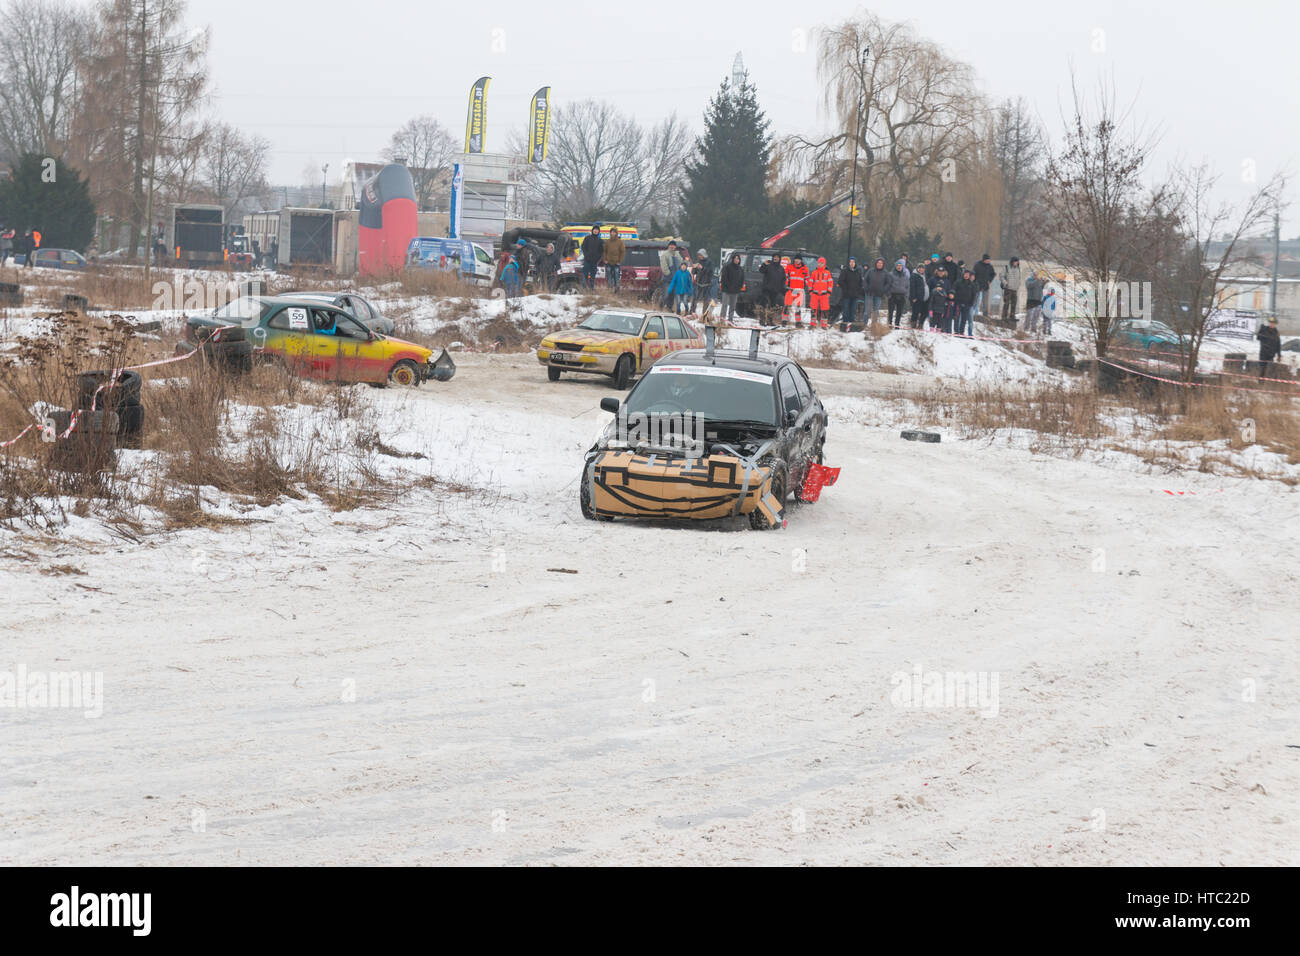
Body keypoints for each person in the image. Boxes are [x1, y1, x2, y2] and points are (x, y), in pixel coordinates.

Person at [837, 257, 864, 332]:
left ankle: (852, 326)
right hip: (846, 295)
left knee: (853, 311)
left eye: (853, 262)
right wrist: (845, 289)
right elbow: (840, 281)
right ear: (848, 263)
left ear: (855, 263)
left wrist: (858, 291)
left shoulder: (858, 272)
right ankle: (844, 326)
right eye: (850, 262)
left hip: (855, 295)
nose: (852, 263)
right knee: (846, 310)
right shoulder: (845, 271)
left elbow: (861, 283)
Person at [760, 255, 786, 324]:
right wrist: (764, 264)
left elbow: (783, 279)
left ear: (779, 259)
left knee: (773, 306)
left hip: (775, 291)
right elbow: (761, 270)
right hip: (766, 289)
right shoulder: (768, 266)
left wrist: (782, 288)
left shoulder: (781, 268)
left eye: (777, 257)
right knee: (764, 305)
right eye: (774, 257)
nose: (776, 258)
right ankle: (762, 320)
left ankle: (769, 321)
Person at [809, 257, 833, 329]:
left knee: (825, 309)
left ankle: (824, 325)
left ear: (824, 263)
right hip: (814, 294)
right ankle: (812, 324)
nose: (820, 264)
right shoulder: (814, 272)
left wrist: (829, 292)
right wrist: (810, 291)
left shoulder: (827, 273)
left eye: (822, 263)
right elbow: (810, 283)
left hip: (824, 294)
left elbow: (830, 283)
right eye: (819, 263)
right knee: (813, 309)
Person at [719, 252, 744, 323]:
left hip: (735, 290)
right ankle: (722, 319)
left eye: (738, 259)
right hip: (726, 290)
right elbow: (724, 278)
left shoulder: (740, 269)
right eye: (735, 258)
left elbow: (742, 279)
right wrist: (727, 286)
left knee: (733, 306)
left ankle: (730, 319)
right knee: (725, 305)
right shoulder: (727, 267)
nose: (737, 260)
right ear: (733, 259)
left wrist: (739, 287)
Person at [784, 255, 809, 325]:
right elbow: (785, 276)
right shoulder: (789, 267)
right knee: (787, 305)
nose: (797, 260)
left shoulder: (805, 268)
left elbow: (807, 278)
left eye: (799, 259)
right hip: (790, 290)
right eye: (796, 259)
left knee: (798, 307)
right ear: (794, 260)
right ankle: (784, 321)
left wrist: (804, 284)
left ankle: (798, 322)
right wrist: (787, 283)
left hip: (799, 291)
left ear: (801, 260)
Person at [865, 257, 890, 323]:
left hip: (879, 295)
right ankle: (864, 324)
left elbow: (888, 283)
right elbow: (865, 280)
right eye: (878, 263)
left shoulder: (885, 273)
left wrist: (883, 290)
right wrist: (866, 288)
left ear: (883, 264)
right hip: (869, 293)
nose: (879, 264)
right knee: (867, 311)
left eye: (881, 263)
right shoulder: (871, 271)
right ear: (876, 263)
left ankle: (874, 325)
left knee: (876, 311)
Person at [954, 268, 978, 336]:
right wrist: (956, 300)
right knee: (957, 317)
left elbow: (974, 295)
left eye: (968, 274)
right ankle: (956, 331)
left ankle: (961, 332)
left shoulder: (972, 284)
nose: (966, 275)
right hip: (958, 303)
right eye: (965, 274)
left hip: (967, 304)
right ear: (963, 274)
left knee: (964, 319)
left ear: (969, 275)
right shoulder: (958, 282)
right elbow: (954, 291)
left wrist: (971, 303)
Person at [887, 259, 909, 328]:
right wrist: (888, 294)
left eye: (900, 266)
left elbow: (908, 286)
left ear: (902, 267)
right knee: (891, 310)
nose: (899, 267)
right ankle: (889, 323)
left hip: (902, 295)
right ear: (895, 266)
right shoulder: (891, 274)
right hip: (892, 295)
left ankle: (897, 324)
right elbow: (887, 284)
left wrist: (906, 295)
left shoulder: (905, 276)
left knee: (899, 311)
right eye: (898, 266)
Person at [691, 248, 713, 316]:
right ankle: (692, 312)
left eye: (700, 255)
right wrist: (694, 267)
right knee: (695, 298)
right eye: (698, 255)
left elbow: (710, 271)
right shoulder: (698, 261)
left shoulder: (709, 262)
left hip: (706, 283)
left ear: (704, 255)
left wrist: (702, 268)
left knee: (706, 300)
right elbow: (694, 272)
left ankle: (705, 314)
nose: (699, 256)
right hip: (698, 283)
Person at [658, 241, 680, 307]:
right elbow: (663, 266)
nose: (672, 246)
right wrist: (668, 274)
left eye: (673, 245)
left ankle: (669, 308)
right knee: (666, 295)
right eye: (671, 245)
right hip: (667, 279)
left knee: (672, 295)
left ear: (675, 247)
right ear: (668, 246)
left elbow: (681, 263)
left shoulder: (677, 254)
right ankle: (661, 306)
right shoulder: (665, 254)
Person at [603, 228, 626, 292]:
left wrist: (619, 261)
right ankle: (610, 290)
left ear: (616, 233)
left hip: (616, 263)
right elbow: (604, 251)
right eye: (611, 232)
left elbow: (623, 252)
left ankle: (617, 291)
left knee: (616, 277)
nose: (612, 233)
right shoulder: (607, 241)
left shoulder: (620, 242)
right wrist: (605, 259)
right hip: (608, 262)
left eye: (614, 232)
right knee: (609, 277)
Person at [1000, 256, 1022, 323]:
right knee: (1006, 303)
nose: (1016, 263)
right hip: (1008, 288)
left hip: (1015, 289)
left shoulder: (1018, 268)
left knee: (1014, 303)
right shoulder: (1006, 267)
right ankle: (1004, 317)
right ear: (1012, 262)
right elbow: (1001, 276)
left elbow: (1019, 278)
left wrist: (1018, 285)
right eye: (1015, 262)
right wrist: (1005, 283)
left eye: (1017, 262)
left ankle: (1012, 316)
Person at [1023, 270, 1045, 335]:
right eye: (1035, 274)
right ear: (1032, 275)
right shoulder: (1028, 280)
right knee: (1029, 315)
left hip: (1038, 301)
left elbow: (1041, 288)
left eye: (1037, 274)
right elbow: (1029, 286)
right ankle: (1026, 328)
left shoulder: (1038, 281)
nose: (1036, 276)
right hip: (1031, 300)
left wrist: (1043, 282)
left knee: (1036, 316)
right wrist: (1037, 281)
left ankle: (1033, 328)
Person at [909, 261, 929, 328]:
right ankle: (913, 325)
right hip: (917, 297)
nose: (921, 269)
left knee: (925, 312)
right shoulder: (914, 276)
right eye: (919, 268)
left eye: (922, 268)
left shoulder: (924, 275)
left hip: (925, 298)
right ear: (917, 269)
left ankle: (920, 324)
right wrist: (913, 297)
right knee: (915, 312)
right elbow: (912, 287)